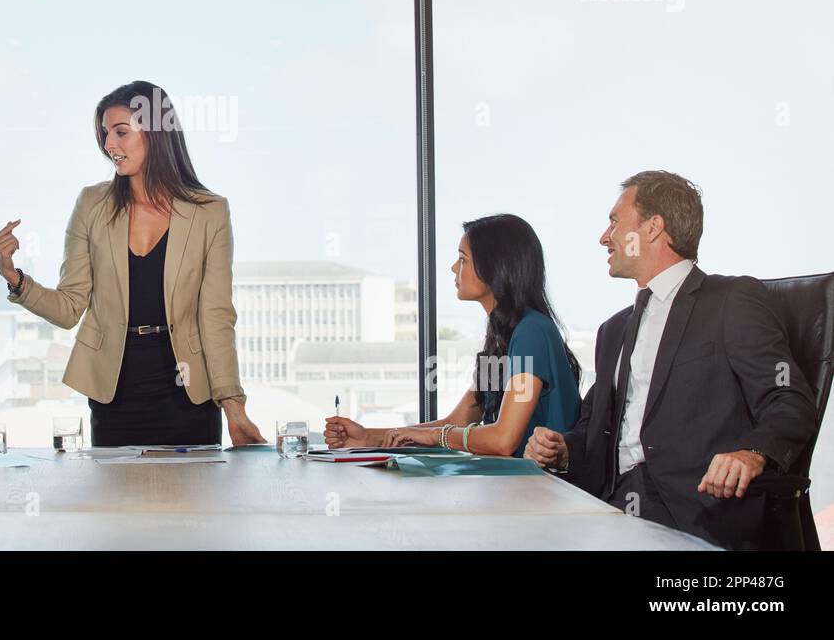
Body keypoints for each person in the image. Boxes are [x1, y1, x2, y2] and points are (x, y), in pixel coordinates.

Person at [525, 171, 816, 550]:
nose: (604, 237)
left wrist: (752, 453)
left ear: (653, 228)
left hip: (696, 511)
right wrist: (563, 451)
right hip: (611, 506)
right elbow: (593, 430)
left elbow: (789, 399)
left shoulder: (730, 301)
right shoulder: (614, 330)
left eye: (614, 222)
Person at [0, 80, 265, 447]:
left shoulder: (209, 212)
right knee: (115, 486)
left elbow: (215, 317)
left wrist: (234, 407)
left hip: (188, 395)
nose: (109, 144)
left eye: (120, 132)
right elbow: (70, 307)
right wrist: (14, 277)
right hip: (115, 394)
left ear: (156, 134)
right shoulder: (92, 204)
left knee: (193, 486)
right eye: (105, 134)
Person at [326, 214, 581, 457]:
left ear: (495, 268)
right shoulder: (502, 337)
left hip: (547, 485)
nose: (453, 267)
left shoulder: (531, 332)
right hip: (519, 483)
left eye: (463, 259)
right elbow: (458, 421)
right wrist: (367, 437)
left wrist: (437, 436)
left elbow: (503, 440)